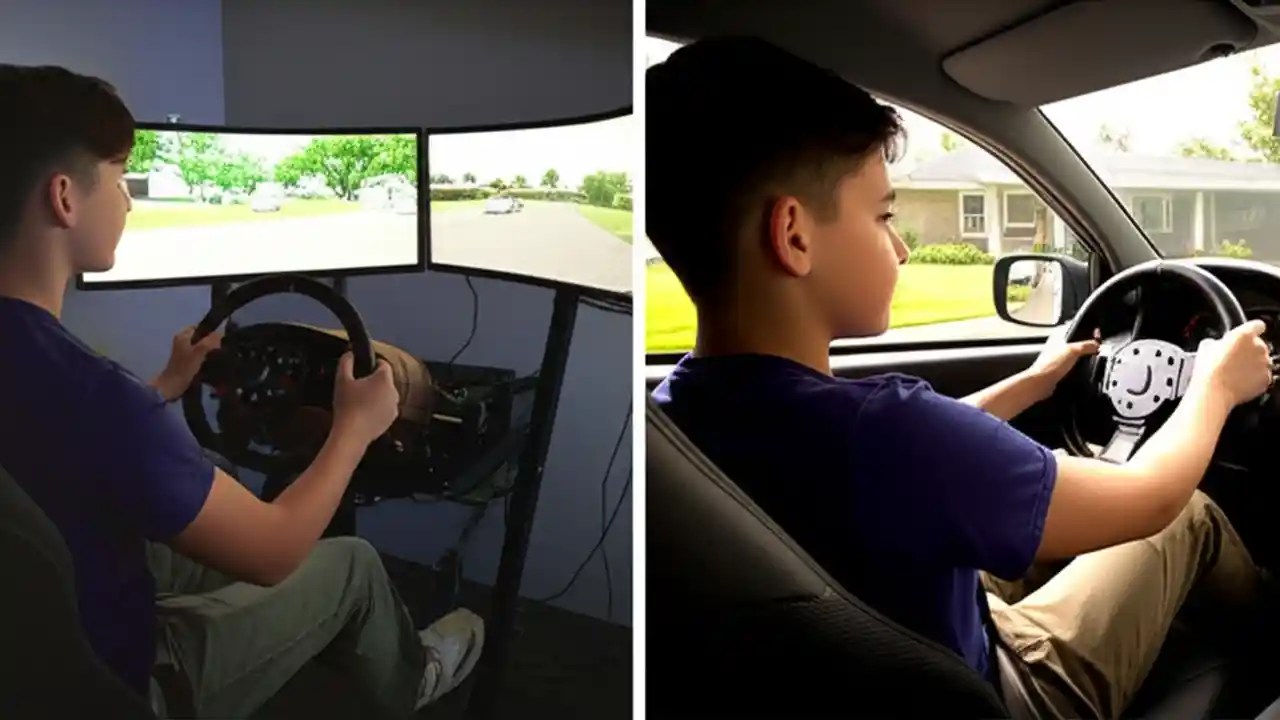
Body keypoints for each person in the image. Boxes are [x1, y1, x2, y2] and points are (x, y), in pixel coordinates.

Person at [647, 37, 1274, 719]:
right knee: (1189, 515)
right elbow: (1150, 497)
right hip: (996, 693)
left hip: (871, 656)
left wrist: (1032, 382)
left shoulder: (675, 419)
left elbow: (910, 456)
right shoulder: (890, 432)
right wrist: (1217, 384)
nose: (901, 248)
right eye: (883, 216)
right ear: (794, 235)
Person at [0, 64, 483, 718]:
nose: (129, 201)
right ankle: (413, 675)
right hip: (118, 682)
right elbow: (272, 553)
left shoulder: (69, 384)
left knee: (195, 513)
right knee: (352, 564)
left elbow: (55, 435)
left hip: (30, 647)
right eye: (119, 179)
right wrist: (353, 429)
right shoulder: (101, 399)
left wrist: (164, 388)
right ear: (64, 198)